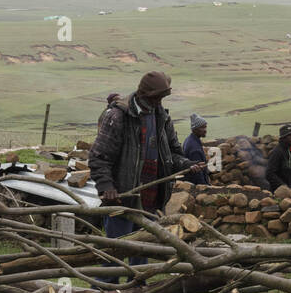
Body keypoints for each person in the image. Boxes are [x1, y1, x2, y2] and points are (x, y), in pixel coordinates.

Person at [88, 71, 203, 266]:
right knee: (116, 251)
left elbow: (172, 154)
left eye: (162, 97)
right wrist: (106, 185)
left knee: (143, 250)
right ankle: (105, 291)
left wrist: (187, 165)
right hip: (122, 197)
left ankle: (138, 288)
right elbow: (99, 157)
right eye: (157, 97)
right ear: (144, 94)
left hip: (152, 198)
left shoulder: (162, 118)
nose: (159, 102)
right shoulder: (118, 116)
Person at [264, 124, 291, 193]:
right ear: (283, 138)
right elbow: (269, 174)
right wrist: (283, 187)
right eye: (290, 135)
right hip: (280, 193)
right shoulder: (277, 152)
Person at [183, 114, 211, 185]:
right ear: (194, 129)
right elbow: (198, 173)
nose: (205, 130)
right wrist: (205, 187)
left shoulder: (190, 139)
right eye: (202, 127)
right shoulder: (194, 147)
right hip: (194, 183)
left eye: (205, 127)